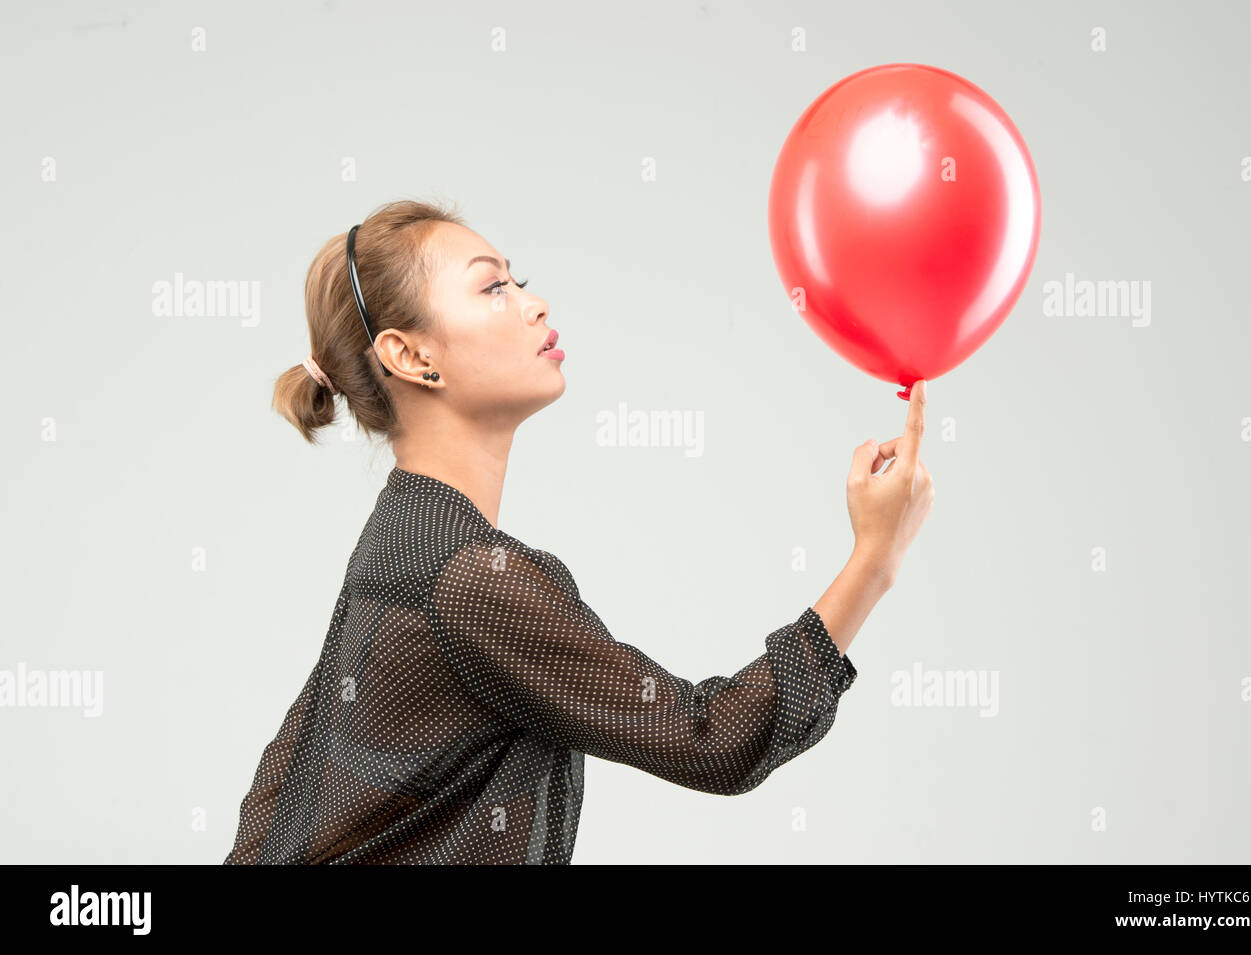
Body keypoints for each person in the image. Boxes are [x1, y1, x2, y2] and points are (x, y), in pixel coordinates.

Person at [223, 198, 934, 864]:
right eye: (492, 288)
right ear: (412, 357)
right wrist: (874, 558)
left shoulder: (398, 537)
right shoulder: (471, 578)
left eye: (518, 279)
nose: (535, 303)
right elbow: (715, 739)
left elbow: (279, 792)